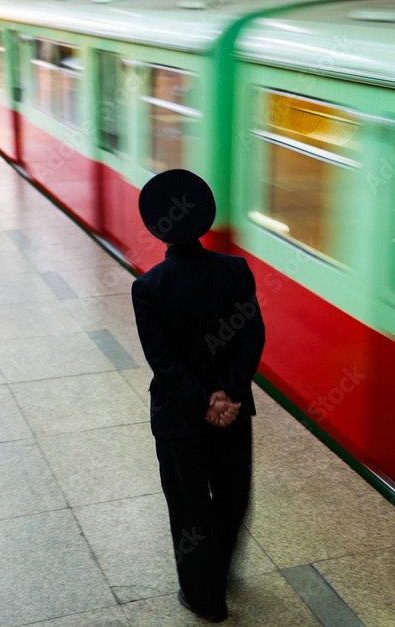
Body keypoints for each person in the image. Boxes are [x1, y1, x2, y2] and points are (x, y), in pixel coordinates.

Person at [131, 169, 265, 623]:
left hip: (179, 419)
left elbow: (163, 362)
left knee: (189, 506)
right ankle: (220, 572)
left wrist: (202, 402)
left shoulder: (148, 288)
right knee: (231, 497)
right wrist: (227, 395)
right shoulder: (235, 270)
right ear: (204, 219)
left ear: (156, 228)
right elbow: (252, 337)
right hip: (234, 414)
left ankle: (204, 598)